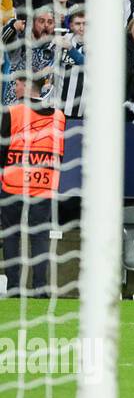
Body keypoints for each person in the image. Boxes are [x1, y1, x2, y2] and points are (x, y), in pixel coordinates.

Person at [0, 74, 64, 296]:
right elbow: (59, 155)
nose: (15, 88)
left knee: (11, 235)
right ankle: (40, 288)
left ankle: (14, 288)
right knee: (39, 236)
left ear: (28, 85)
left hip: (13, 184)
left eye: (17, 83)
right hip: (43, 184)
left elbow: (2, 150)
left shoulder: (12, 112)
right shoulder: (59, 116)